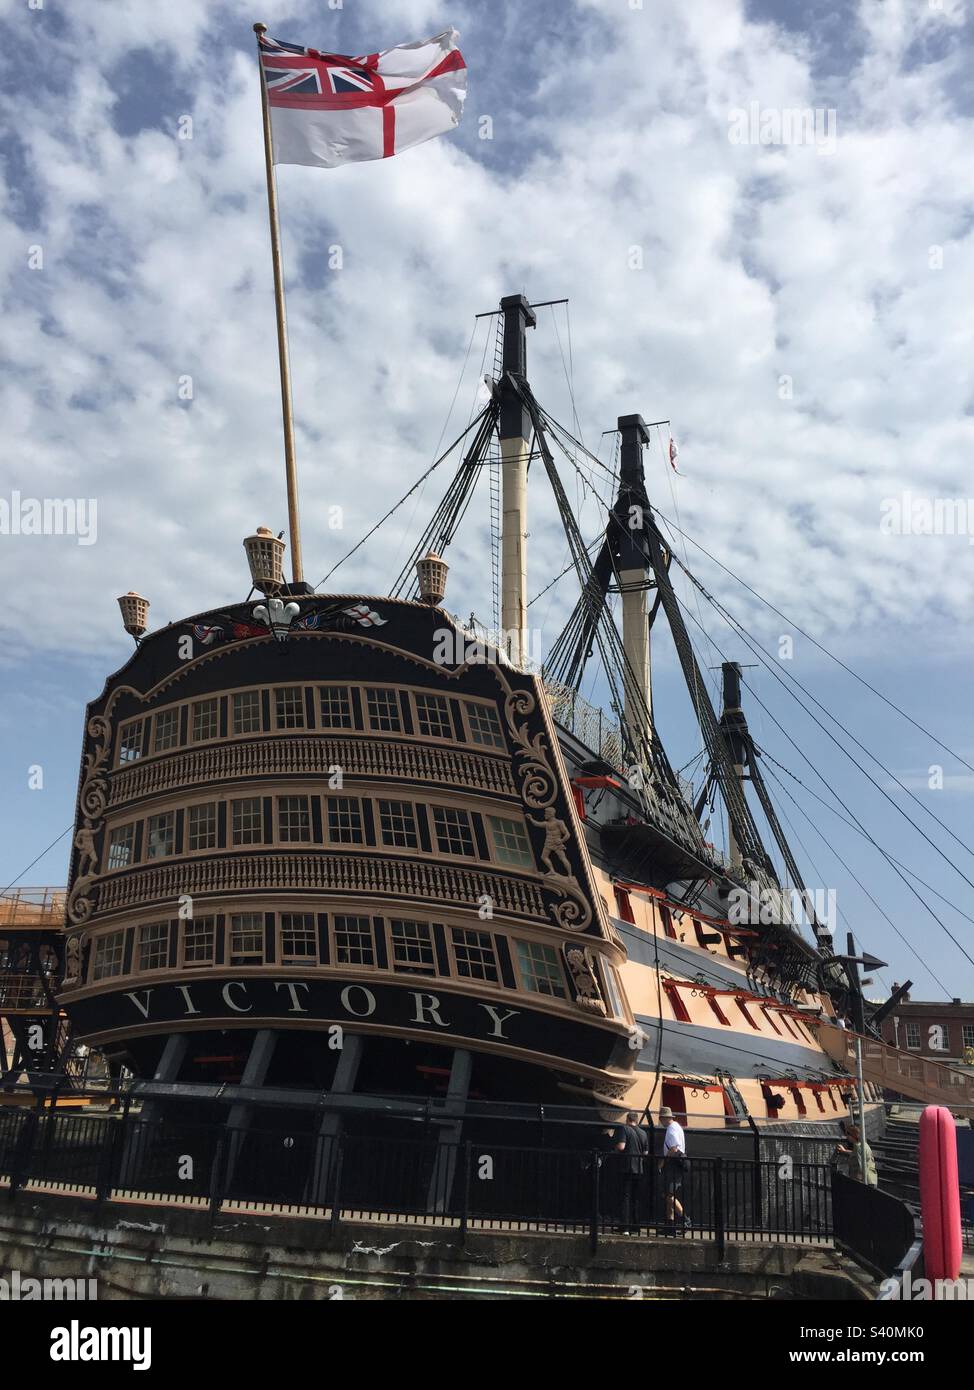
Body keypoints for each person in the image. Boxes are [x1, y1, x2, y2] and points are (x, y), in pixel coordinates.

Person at [612, 1111, 649, 1234]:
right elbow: (645, 1153)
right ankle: (636, 1226)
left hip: (627, 1167)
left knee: (625, 1197)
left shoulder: (624, 1129)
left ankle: (625, 1227)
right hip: (639, 1168)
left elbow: (621, 1146)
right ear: (637, 1120)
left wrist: (614, 1148)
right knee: (636, 1198)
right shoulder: (643, 1133)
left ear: (627, 1119)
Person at [658, 1105, 691, 1229]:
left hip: (673, 1164)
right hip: (677, 1164)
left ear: (664, 1118)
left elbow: (673, 1148)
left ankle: (685, 1219)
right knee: (668, 1194)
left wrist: (663, 1161)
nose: (660, 1121)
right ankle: (669, 1226)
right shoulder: (677, 1127)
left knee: (668, 1195)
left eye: (661, 1119)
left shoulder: (671, 1129)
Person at [836, 1121, 878, 1187]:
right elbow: (856, 1154)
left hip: (866, 1181)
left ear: (853, 1136)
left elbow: (861, 1167)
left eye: (847, 1134)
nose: (847, 1137)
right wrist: (844, 1151)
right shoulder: (861, 1145)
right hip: (870, 1179)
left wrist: (856, 1183)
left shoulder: (858, 1147)